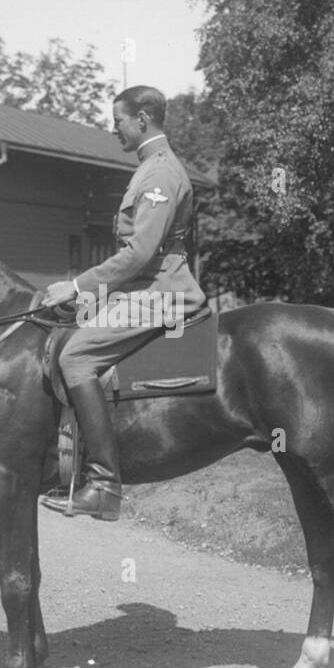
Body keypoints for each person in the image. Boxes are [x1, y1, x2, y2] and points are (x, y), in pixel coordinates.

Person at [40, 85, 206, 520]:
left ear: (143, 118)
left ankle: (104, 485)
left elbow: (139, 254)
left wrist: (77, 287)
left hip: (162, 292)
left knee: (75, 358)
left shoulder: (159, 175)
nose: (114, 129)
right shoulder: (149, 168)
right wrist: (82, 297)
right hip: (141, 288)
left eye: (118, 121)